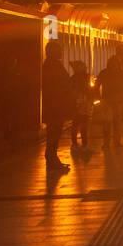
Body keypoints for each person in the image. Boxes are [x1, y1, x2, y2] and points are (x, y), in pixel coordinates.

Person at [41, 39, 72, 173]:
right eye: (58, 50)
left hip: (53, 105)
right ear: (52, 52)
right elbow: (60, 84)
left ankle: (52, 158)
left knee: (54, 132)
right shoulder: (53, 66)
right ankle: (51, 158)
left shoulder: (49, 65)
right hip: (55, 106)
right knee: (54, 132)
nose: (61, 52)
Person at [93, 54, 123, 149]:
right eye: (112, 64)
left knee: (114, 122)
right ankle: (109, 143)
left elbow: (96, 86)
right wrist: (98, 98)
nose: (113, 66)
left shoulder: (106, 73)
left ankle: (113, 142)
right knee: (109, 123)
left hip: (115, 101)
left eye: (115, 64)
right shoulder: (120, 73)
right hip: (108, 101)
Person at [67, 60, 93, 153]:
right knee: (83, 125)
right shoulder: (85, 77)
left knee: (75, 124)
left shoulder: (72, 78)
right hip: (83, 104)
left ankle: (75, 145)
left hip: (76, 104)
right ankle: (84, 145)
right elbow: (88, 90)